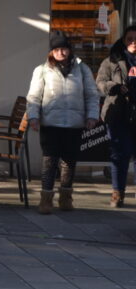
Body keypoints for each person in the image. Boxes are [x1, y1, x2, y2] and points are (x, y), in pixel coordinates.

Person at [27, 31, 99, 214]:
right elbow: (34, 96)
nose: (61, 52)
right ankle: (46, 199)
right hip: (50, 123)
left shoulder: (82, 69)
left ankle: (66, 198)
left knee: (69, 161)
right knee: (49, 161)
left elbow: (91, 94)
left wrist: (92, 116)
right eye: (57, 49)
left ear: (69, 50)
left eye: (64, 48)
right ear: (51, 51)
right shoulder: (41, 70)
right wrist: (33, 117)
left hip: (74, 124)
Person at [96, 25, 136, 208]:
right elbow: (100, 82)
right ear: (124, 40)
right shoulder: (112, 60)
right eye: (130, 39)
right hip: (118, 113)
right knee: (120, 155)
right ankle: (117, 193)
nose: (133, 43)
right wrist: (115, 87)